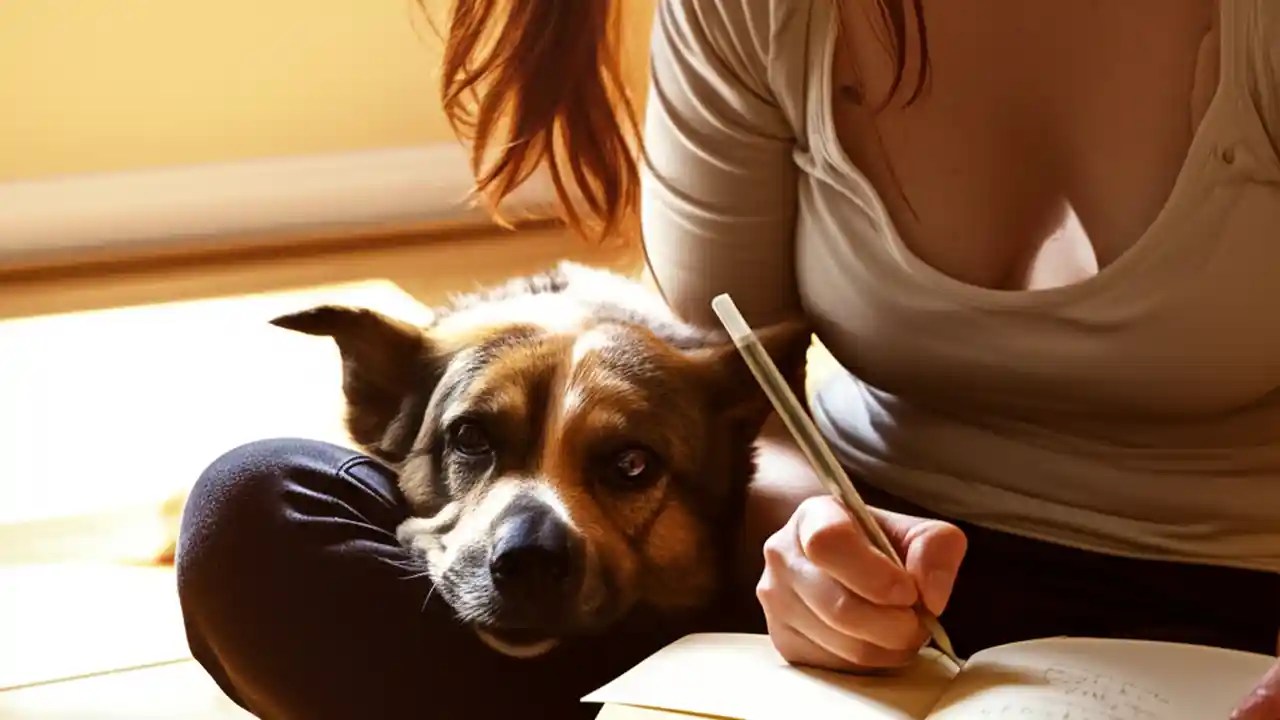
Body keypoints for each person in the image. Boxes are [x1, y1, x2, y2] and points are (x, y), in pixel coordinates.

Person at [176, 0, 1280, 718]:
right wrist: (817, 538)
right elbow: (728, 402)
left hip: (1235, 615)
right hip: (860, 597)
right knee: (259, 517)